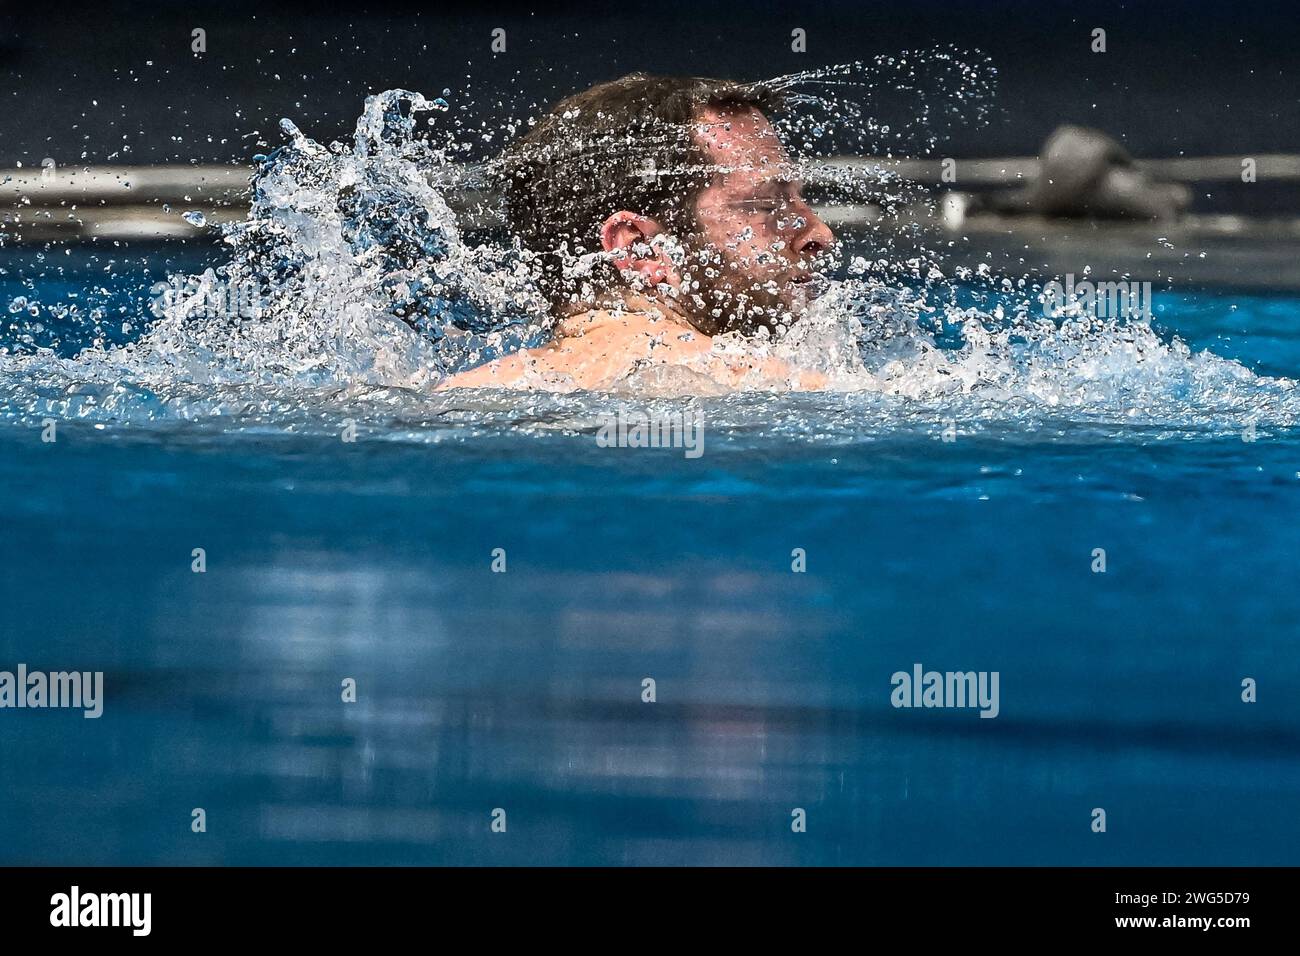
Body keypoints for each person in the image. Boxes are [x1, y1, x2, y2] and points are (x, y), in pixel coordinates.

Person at [438, 73, 836, 391]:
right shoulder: (779, 387)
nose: (819, 233)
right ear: (639, 248)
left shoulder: (461, 392)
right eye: (764, 205)